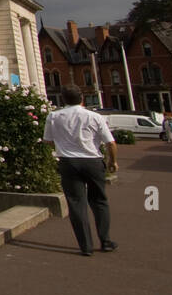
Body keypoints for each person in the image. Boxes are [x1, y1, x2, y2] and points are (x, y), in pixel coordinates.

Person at [43, 85, 117, 256]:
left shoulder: (53, 116)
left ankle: (86, 246)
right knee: (99, 201)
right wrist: (113, 161)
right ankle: (105, 241)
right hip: (93, 161)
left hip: (68, 163)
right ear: (82, 98)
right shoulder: (95, 116)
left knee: (76, 204)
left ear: (63, 99)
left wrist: (62, 146)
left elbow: (47, 140)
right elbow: (111, 143)